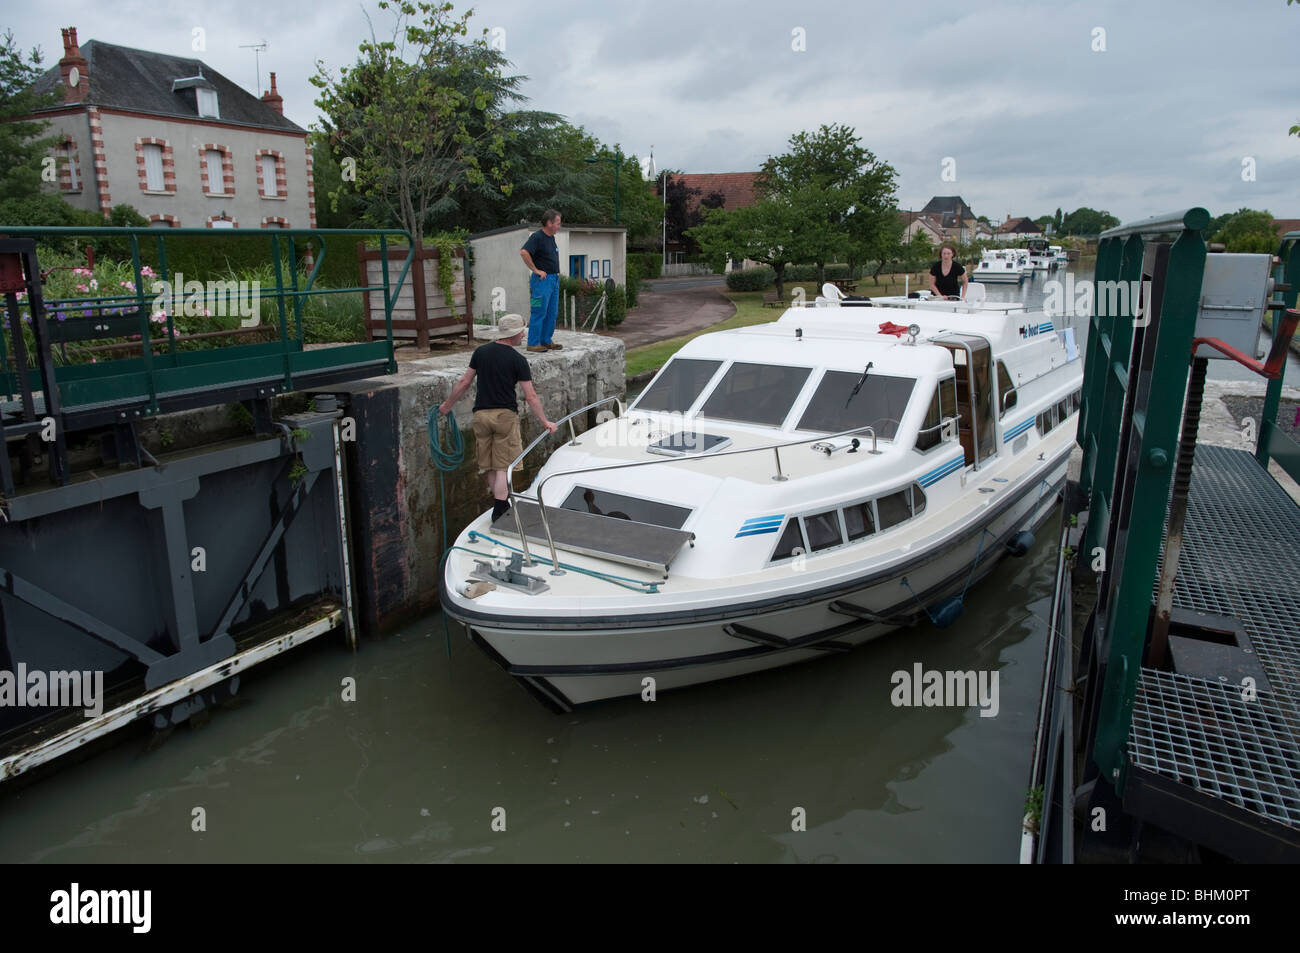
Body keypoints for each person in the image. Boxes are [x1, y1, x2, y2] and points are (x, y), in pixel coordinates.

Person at [438, 313, 558, 522]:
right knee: (503, 466)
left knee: (490, 465)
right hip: (504, 416)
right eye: (521, 331)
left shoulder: (481, 352)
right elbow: (530, 395)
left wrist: (447, 406)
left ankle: (499, 503)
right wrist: (545, 421)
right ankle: (500, 509)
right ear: (513, 334)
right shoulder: (518, 360)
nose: (523, 335)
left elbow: (465, 382)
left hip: (481, 416)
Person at [520, 209, 563, 353]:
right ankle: (533, 343)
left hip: (553, 280)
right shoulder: (537, 237)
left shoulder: (551, 238)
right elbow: (524, 252)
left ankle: (546, 340)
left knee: (552, 313)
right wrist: (536, 270)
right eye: (557, 223)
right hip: (541, 282)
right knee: (538, 311)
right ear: (549, 223)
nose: (559, 226)